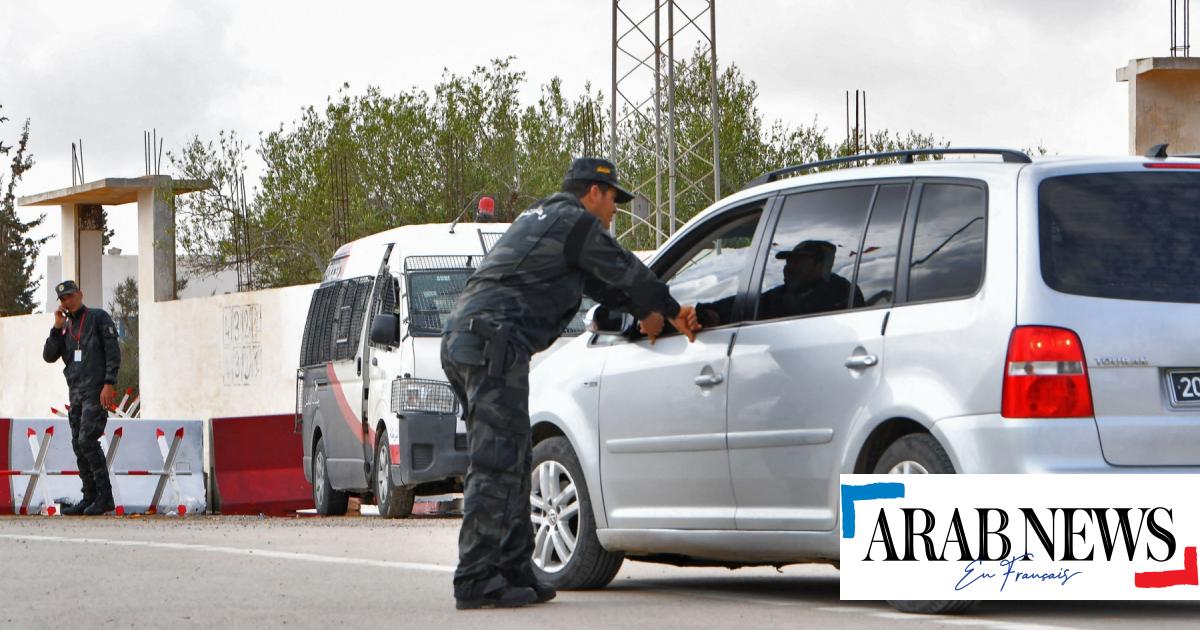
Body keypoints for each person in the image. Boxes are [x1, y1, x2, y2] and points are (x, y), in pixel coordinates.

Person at [441, 157, 700, 610]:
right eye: (613, 202)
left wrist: (642, 311)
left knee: (514, 455)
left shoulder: (546, 218)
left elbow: (603, 285)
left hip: (471, 338)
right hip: (491, 342)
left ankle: (515, 570)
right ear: (593, 193)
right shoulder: (575, 222)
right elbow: (624, 268)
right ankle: (477, 578)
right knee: (497, 460)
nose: (613, 213)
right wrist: (673, 309)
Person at [42, 280, 121, 516]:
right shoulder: (64, 326)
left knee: (87, 440)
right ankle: (89, 497)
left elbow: (112, 351)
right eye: (63, 299)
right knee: (78, 444)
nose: (68, 301)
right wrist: (56, 328)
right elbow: (48, 356)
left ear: (80, 294)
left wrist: (109, 383)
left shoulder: (98, 317)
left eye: (71, 296)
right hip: (75, 392)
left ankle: (104, 497)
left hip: (96, 390)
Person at [757, 240, 864, 319]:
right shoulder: (774, 297)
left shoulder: (844, 293)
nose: (787, 269)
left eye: (798, 262)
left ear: (820, 266)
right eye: (788, 262)